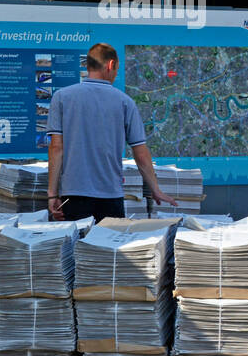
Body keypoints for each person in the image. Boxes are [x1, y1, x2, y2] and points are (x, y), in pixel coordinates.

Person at [46, 42, 177, 223]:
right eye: (116, 69)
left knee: (77, 250)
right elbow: (141, 153)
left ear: (88, 65)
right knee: (109, 249)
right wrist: (155, 189)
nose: (116, 74)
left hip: (73, 196)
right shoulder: (125, 102)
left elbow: (56, 148)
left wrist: (52, 195)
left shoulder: (61, 97)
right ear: (110, 65)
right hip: (110, 196)